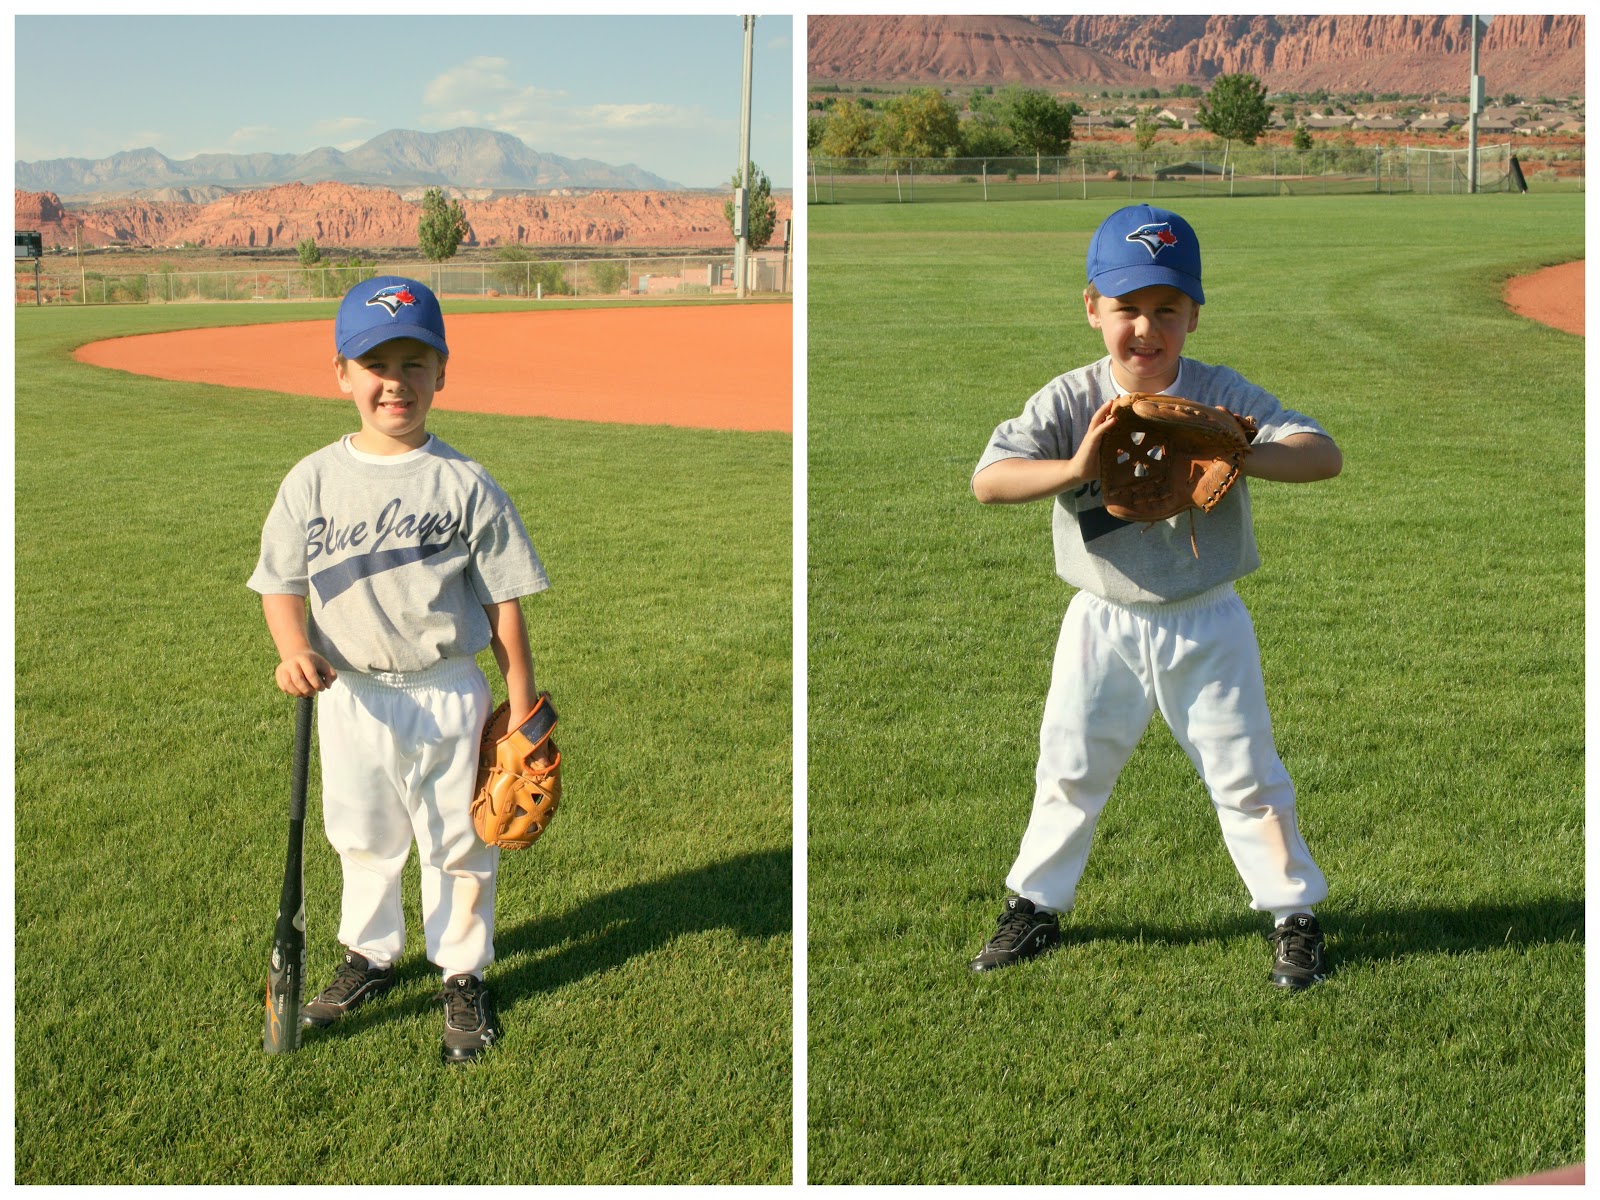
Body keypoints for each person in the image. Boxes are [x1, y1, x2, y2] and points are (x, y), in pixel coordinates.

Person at [968, 205, 1342, 989]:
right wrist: (1074, 469)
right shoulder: (1069, 399)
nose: (1147, 327)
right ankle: (1035, 904)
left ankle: (1292, 916)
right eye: (1127, 308)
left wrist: (1236, 447)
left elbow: (1321, 454)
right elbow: (989, 481)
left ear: (1194, 314)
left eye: (1166, 308)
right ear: (1093, 309)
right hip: (1100, 621)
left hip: (1206, 618)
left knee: (1246, 773)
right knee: (1070, 767)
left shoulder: (1218, 391)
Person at [248, 276, 552, 1060]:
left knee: (459, 841)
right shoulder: (311, 479)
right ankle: (370, 956)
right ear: (342, 374)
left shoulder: (466, 483)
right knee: (362, 835)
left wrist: (520, 705)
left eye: (415, 363)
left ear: (442, 372)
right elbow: (279, 582)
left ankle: (461, 975)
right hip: (352, 693)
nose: (396, 382)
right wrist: (292, 650)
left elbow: (503, 603)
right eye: (375, 363)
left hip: (449, 690)